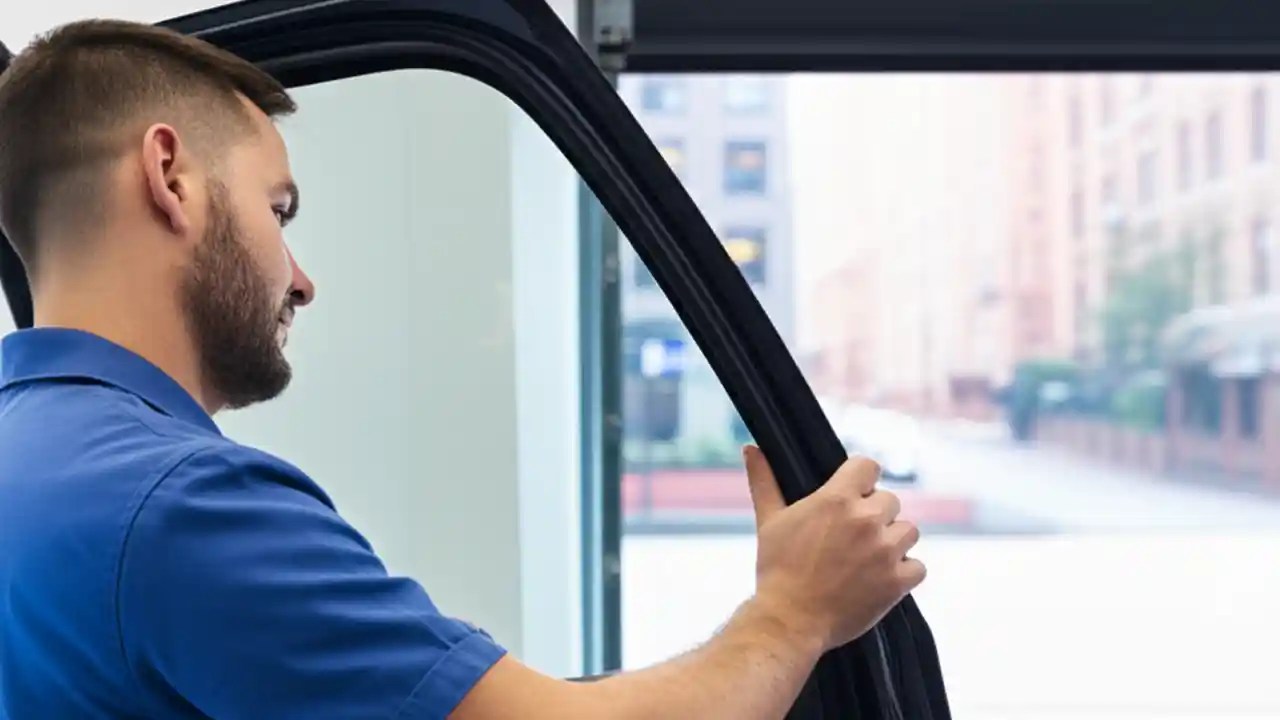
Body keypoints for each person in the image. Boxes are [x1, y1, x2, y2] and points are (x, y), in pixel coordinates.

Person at [0, 20, 925, 720]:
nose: (301, 278)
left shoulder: (33, 461)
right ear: (171, 176)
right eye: (278, 211)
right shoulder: (179, 508)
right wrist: (796, 611)